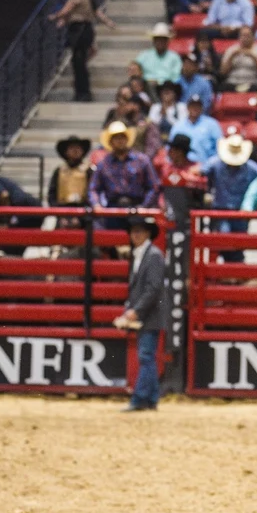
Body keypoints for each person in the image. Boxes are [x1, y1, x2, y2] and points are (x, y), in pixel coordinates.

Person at [115, 216, 165, 412]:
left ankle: (140, 398)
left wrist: (135, 310)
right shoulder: (145, 254)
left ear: (147, 234)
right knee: (147, 356)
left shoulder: (152, 256)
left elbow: (152, 289)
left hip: (148, 314)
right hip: (147, 313)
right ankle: (150, 398)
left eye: (139, 231)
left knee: (145, 355)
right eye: (133, 231)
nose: (135, 235)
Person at [48, 0, 116, 101]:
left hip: (79, 30)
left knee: (79, 63)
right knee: (79, 62)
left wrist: (56, 16)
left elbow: (68, 9)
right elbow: (95, 12)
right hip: (85, 30)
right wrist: (108, 23)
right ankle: (82, 91)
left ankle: (83, 92)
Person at [204, 134, 257, 263]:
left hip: (241, 212)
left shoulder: (253, 169)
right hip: (220, 210)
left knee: (238, 243)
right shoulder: (214, 164)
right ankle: (224, 273)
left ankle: (234, 272)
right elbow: (199, 173)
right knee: (222, 239)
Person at [88, 122, 159, 226]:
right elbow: (93, 188)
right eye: (116, 138)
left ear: (127, 139)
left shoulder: (142, 160)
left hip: (136, 208)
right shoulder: (104, 163)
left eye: (122, 137)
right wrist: (96, 205)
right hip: (112, 209)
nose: (120, 140)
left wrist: (144, 206)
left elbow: (154, 186)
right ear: (111, 142)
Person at [168, 94, 224, 163]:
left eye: (197, 106)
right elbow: (170, 150)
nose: (195, 108)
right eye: (192, 106)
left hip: (205, 168)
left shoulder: (212, 124)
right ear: (187, 107)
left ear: (202, 108)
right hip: (181, 167)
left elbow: (222, 150)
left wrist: (205, 167)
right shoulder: (178, 126)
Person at [47, 135, 92, 207]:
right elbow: (52, 194)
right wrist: (59, 213)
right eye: (72, 148)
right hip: (62, 210)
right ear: (66, 151)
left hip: (82, 211)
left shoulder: (88, 170)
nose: (75, 150)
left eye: (78, 148)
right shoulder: (59, 170)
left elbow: (92, 193)